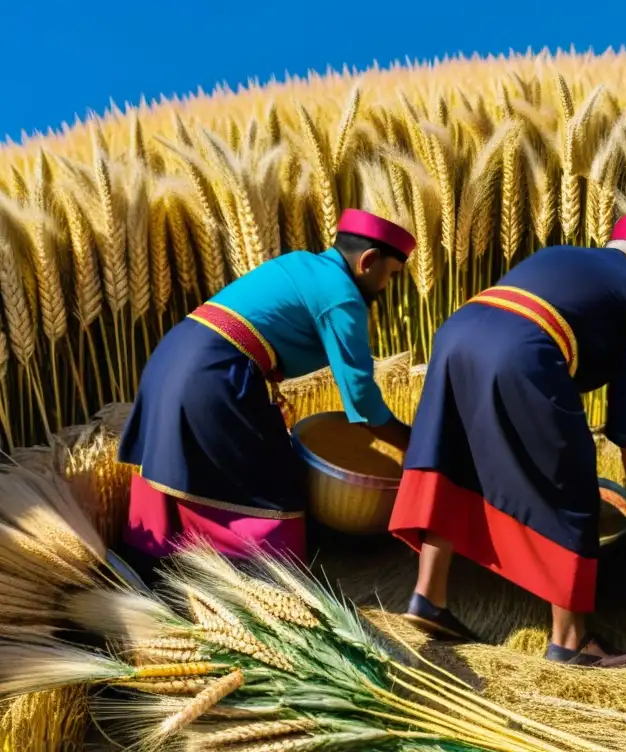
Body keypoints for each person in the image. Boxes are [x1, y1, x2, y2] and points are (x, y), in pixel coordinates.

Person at [388, 215, 626, 666]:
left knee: (454, 459)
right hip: (521, 350)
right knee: (568, 480)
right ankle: (570, 640)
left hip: (456, 335)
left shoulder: (557, 253)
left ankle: (427, 596)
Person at [118, 209, 415, 576]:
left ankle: (155, 571)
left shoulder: (300, 262)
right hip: (214, 375)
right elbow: (361, 398)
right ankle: (263, 582)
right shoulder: (342, 296)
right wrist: (412, 445)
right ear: (369, 261)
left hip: (173, 355)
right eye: (391, 274)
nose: (387, 285)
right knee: (275, 489)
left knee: (173, 462)